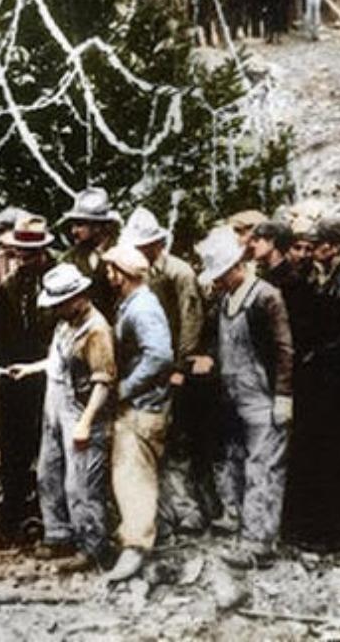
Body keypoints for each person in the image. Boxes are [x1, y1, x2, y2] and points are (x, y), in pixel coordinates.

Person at [195, 229, 293, 568]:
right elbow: (221, 344)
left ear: (237, 267)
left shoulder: (266, 297)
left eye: (222, 275)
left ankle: (259, 544)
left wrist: (284, 395)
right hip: (234, 394)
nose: (218, 282)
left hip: (262, 396)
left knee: (263, 468)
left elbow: (284, 349)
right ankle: (243, 524)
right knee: (236, 462)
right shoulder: (225, 300)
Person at [9, 263, 116, 571]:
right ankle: (58, 534)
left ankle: (91, 546)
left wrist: (85, 423)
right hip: (53, 405)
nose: (56, 310)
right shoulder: (65, 323)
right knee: (48, 473)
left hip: (80, 410)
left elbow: (103, 381)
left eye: (61, 304)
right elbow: (57, 361)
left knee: (81, 484)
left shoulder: (96, 330)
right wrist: (31, 368)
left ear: (78, 298)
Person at [282, 216, 340, 551]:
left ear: (334, 247)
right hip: (321, 380)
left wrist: (320, 353)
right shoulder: (317, 277)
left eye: (318, 244)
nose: (312, 250)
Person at [120, 209, 210, 537]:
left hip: (173, 368)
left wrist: (181, 367)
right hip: (151, 368)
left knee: (177, 443)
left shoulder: (178, 273)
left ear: (157, 243)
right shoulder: (140, 274)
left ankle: (189, 511)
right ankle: (162, 514)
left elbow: (191, 321)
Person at [100, 245, 174, 583]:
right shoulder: (132, 303)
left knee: (134, 477)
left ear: (123, 273)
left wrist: (125, 388)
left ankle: (136, 547)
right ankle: (137, 534)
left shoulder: (142, 307)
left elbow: (159, 355)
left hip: (143, 406)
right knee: (132, 474)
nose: (108, 275)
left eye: (111, 269)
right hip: (140, 404)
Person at [0, 211, 55, 542]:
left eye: (29, 255)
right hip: (14, 375)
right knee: (14, 443)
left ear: (42, 252)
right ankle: (12, 514)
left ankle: (49, 516)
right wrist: (0, 368)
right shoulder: (9, 284)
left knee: (50, 444)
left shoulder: (60, 278)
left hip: (52, 373)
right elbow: (0, 331)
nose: (22, 260)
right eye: (18, 254)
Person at [59, 187, 121, 318]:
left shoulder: (122, 254)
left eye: (80, 225)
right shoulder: (70, 259)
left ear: (97, 226)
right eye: (73, 225)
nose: (74, 231)